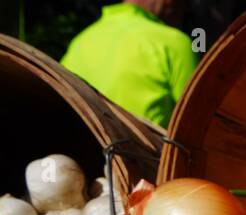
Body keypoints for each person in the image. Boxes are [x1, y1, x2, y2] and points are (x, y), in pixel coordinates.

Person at [61, 2, 198, 128]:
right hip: (149, 153)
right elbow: (197, 123)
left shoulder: (79, 43)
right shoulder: (176, 42)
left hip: (79, 150)